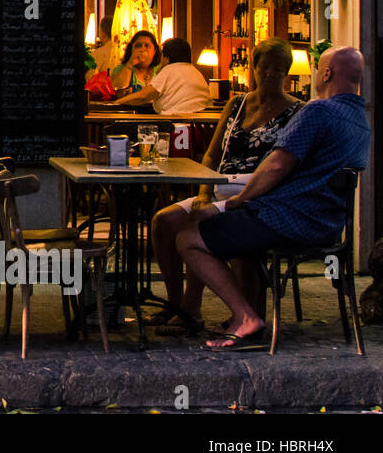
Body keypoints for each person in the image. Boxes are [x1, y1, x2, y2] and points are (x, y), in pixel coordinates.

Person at [177, 46, 370, 349]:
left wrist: (234, 203)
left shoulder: (318, 110)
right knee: (223, 227)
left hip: (287, 219)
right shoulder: (361, 121)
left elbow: (277, 164)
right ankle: (237, 312)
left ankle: (245, 317)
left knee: (188, 237)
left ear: (327, 73)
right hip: (327, 226)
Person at [148, 39, 302, 333]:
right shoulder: (237, 103)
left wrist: (230, 198)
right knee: (163, 221)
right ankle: (176, 301)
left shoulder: (297, 112)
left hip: (255, 195)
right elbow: (213, 153)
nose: (269, 74)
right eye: (264, 67)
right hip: (218, 185)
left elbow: (286, 166)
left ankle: (190, 311)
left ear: (287, 74)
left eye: (278, 70)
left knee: (197, 224)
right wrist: (204, 191)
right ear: (253, 69)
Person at [113, 37, 210, 114]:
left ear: (167, 59)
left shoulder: (169, 70)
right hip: (202, 125)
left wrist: (117, 103)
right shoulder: (196, 72)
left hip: (178, 123)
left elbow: (143, 96)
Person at [109, 29, 161, 94]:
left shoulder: (159, 70)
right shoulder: (121, 69)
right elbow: (117, 87)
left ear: (154, 51)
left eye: (146, 46)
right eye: (138, 46)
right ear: (131, 49)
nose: (142, 49)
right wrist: (130, 63)